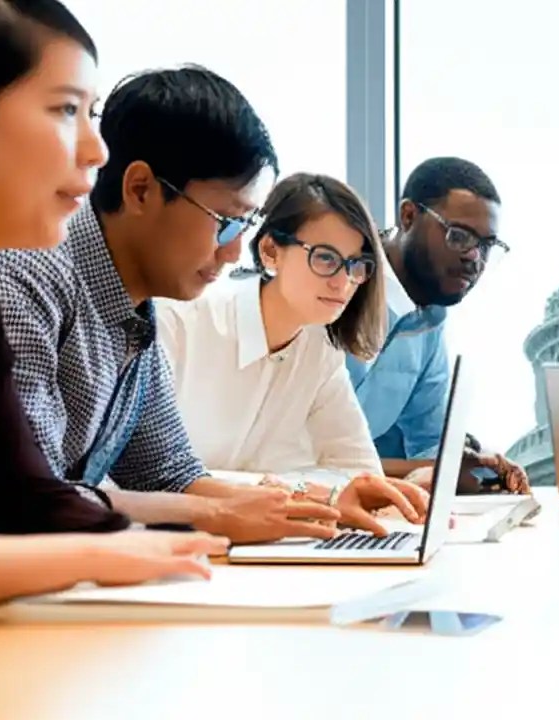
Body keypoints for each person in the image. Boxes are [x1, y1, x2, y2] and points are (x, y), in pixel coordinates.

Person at [0, 64, 348, 543]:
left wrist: (322, 508)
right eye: (225, 221)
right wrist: (212, 516)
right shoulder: (28, 275)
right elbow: (37, 500)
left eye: (245, 225)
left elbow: (170, 472)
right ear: (140, 190)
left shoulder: (136, 308)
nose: (234, 251)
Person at [0, 0, 226, 608]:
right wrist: (103, 551)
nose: (97, 150)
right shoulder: (23, 277)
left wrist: (164, 546)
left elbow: (29, 493)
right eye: (66, 109)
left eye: (92, 113)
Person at [157, 172, 432, 532]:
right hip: (167, 542)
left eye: (355, 264)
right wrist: (298, 487)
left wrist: (291, 487)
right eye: (325, 258)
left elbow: (359, 473)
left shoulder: (321, 352)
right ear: (270, 251)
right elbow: (150, 477)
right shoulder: (178, 323)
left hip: (266, 548)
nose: (343, 281)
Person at [351, 156, 527, 493]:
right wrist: (441, 470)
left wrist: (477, 472)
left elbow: (429, 445)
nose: (474, 257)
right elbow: (311, 456)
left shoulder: (430, 324)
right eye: (459, 236)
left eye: (486, 246)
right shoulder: (340, 287)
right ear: (408, 216)